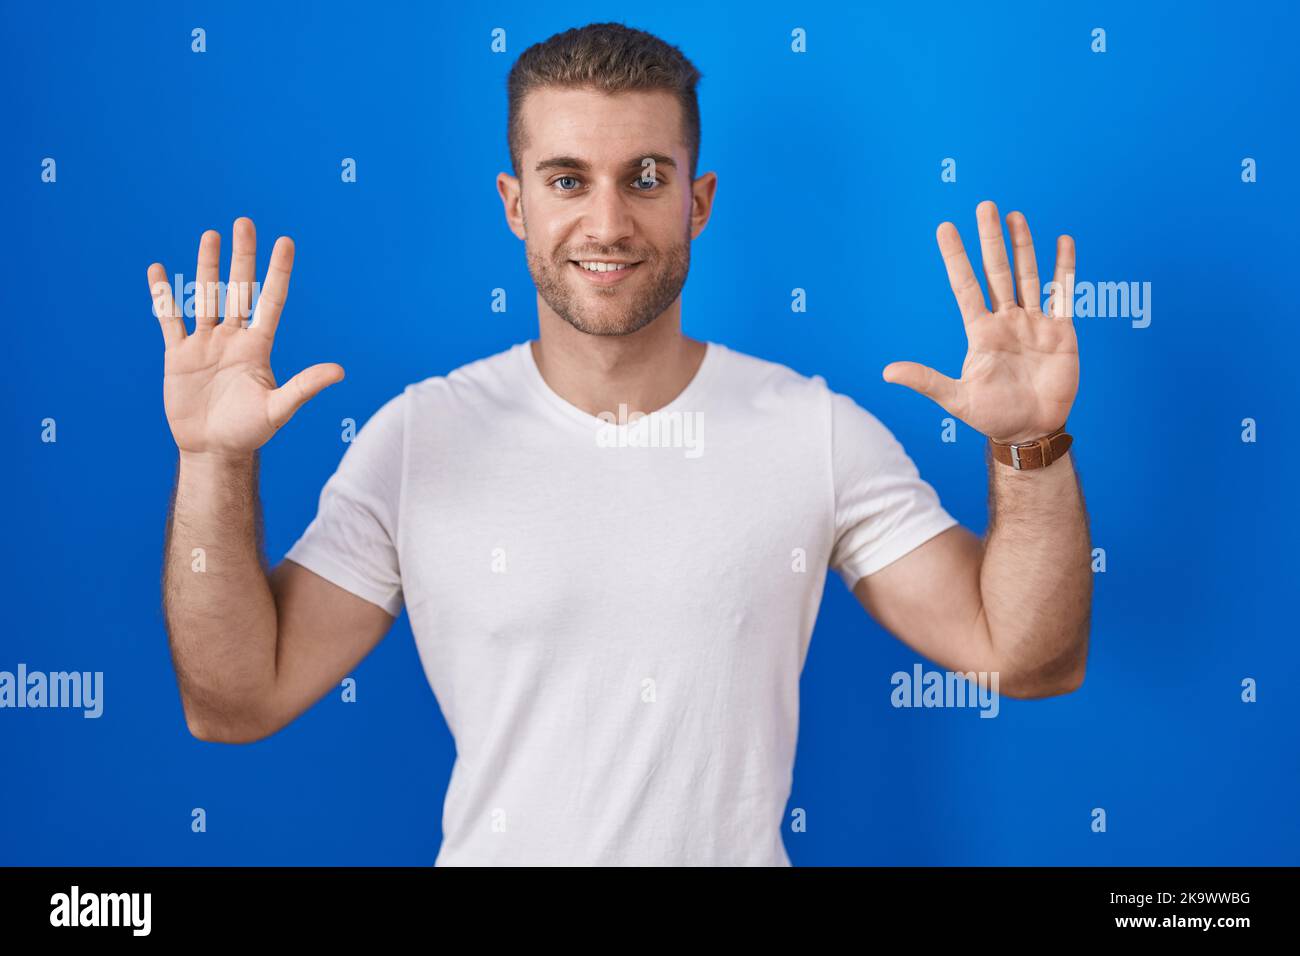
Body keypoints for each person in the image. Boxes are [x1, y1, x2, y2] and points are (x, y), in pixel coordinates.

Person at [147, 22, 1091, 866]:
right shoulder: (418, 439)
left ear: (700, 200)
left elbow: (1025, 656)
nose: (607, 223)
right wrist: (213, 462)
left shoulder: (814, 431)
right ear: (516, 204)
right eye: (568, 180)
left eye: (646, 177)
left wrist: (1032, 445)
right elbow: (236, 700)